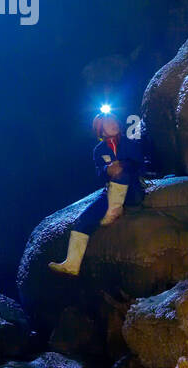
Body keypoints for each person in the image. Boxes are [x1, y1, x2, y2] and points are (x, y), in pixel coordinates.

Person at [49, 111, 144, 276]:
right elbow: (100, 173)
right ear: (101, 130)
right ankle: (71, 263)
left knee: (122, 173)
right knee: (85, 217)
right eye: (108, 123)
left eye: (114, 121)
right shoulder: (99, 150)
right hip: (111, 191)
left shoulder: (130, 143)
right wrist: (108, 170)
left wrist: (122, 166)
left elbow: (140, 163)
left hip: (132, 190)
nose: (113, 124)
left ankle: (114, 211)